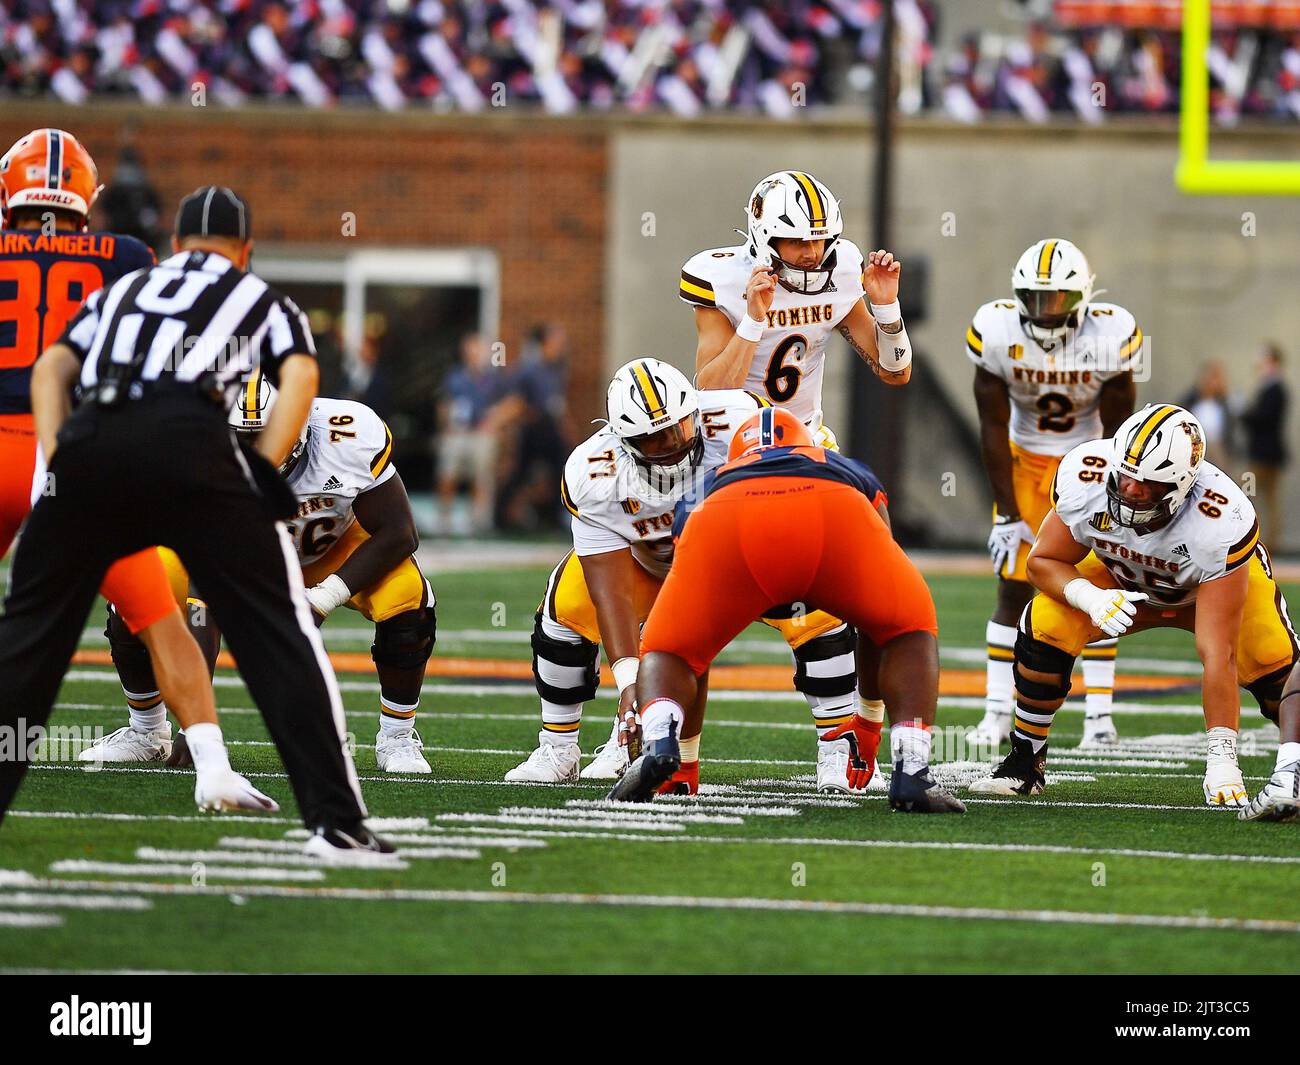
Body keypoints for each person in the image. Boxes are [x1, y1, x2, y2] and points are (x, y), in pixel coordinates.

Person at [0, 185, 391, 860]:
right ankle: (336, 823)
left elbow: (53, 367)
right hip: (193, 442)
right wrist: (265, 469)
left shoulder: (124, 290)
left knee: (27, 641)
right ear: (245, 250)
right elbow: (300, 375)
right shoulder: (260, 297)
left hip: (94, 437)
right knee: (278, 637)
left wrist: (62, 455)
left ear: (176, 245)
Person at [0, 129, 268, 812]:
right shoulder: (123, 255)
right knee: (158, 615)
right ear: (84, 198)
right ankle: (211, 766)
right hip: (81, 452)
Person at [504, 359, 883, 795]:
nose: (670, 445)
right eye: (652, 438)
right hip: (651, 566)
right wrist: (628, 684)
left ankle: (838, 748)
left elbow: (811, 470)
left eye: (677, 429)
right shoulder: (594, 475)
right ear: (622, 441)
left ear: (695, 414)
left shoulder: (739, 419)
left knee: (820, 610)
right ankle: (559, 747)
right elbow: (613, 597)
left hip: (746, 558)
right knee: (563, 611)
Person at [84, 368, 437, 775]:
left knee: (408, 596)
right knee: (135, 584)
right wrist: (197, 725)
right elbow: (205, 600)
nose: (255, 450)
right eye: (242, 437)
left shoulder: (349, 435)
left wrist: (324, 597)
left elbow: (399, 531)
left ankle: (396, 738)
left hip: (332, 550)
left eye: (265, 435)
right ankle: (147, 732)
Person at [612, 406, 963, 813]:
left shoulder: (707, 482)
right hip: (830, 507)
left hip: (723, 514)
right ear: (806, 444)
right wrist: (867, 724)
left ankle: (661, 744)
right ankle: (912, 771)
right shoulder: (840, 465)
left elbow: (689, 643)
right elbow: (880, 623)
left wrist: (684, 763)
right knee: (908, 628)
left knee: (671, 650)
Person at [679, 170, 914, 752]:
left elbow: (895, 371)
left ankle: (859, 724)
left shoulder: (841, 269)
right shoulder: (723, 277)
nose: (811, 255)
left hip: (807, 444)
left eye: (819, 241)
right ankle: (650, 741)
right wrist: (755, 318)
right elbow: (711, 388)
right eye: (796, 242)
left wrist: (886, 309)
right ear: (761, 237)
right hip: (726, 451)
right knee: (675, 593)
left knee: (867, 584)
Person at [972, 405, 1298, 808]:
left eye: (1144, 486)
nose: (1128, 491)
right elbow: (1042, 562)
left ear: (1179, 487)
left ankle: (1291, 771)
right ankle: (1025, 763)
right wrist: (1090, 597)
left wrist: (1222, 757)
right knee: (1045, 623)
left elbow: (1219, 653)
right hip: (1122, 581)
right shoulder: (1086, 476)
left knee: (1276, 672)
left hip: (1204, 593)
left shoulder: (1219, 519)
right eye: (1123, 476)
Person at [967, 238, 1138, 749]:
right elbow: (992, 425)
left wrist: (1118, 489)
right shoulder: (995, 331)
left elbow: (1120, 427)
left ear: (1083, 297)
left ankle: (1099, 719)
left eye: (1058, 300)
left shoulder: (1110, 333)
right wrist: (1006, 512)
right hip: (1024, 459)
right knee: (1013, 587)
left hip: (1090, 464)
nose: (1047, 312)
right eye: (1037, 299)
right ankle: (997, 711)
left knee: (1100, 588)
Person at [437, 332, 505, 535]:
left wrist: (494, 424)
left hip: (481, 432)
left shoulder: (493, 378)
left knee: (480, 476)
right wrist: (445, 426)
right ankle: (444, 520)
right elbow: (445, 403)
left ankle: (476, 520)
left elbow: (507, 404)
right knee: (448, 474)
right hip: (458, 431)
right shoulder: (455, 376)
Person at [1241, 343, 1288, 551]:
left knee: (1248, 493)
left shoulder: (1275, 388)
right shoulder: (1268, 386)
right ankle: (1267, 539)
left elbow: (1266, 419)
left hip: (1265, 454)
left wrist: (1245, 414)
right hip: (1265, 452)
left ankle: (1259, 540)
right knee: (1267, 498)